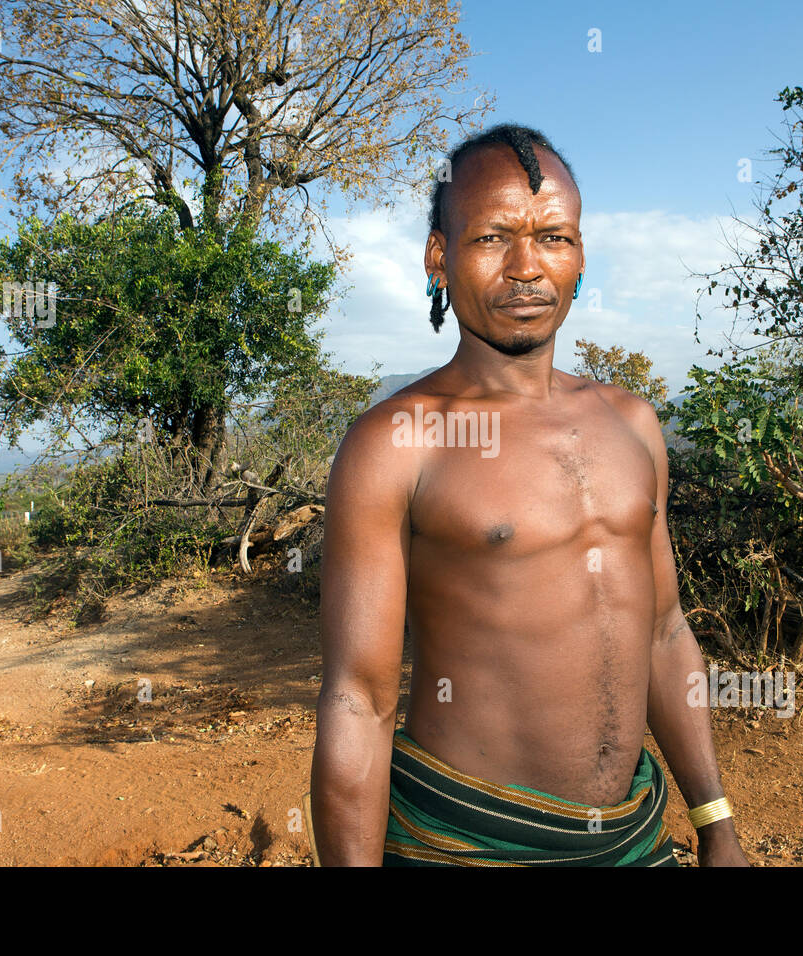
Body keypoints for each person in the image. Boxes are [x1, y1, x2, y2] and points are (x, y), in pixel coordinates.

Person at [308, 123, 749, 867]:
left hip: (634, 837)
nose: (526, 268)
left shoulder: (632, 424)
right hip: (467, 837)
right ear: (438, 257)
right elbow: (359, 700)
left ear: (579, 255)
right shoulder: (397, 443)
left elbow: (665, 633)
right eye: (491, 239)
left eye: (554, 237)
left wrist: (715, 822)